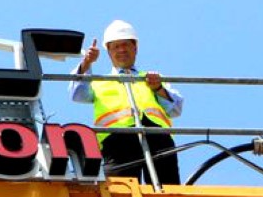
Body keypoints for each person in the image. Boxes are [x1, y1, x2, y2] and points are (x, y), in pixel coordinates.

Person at [69, 19, 183, 187]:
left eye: (126, 45)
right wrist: (86, 64)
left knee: (169, 190)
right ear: (108, 52)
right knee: (121, 194)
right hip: (116, 141)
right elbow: (76, 93)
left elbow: (176, 108)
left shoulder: (151, 78)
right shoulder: (99, 82)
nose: (121, 50)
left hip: (157, 138)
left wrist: (158, 88)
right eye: (115, 46)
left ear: (135, 48)